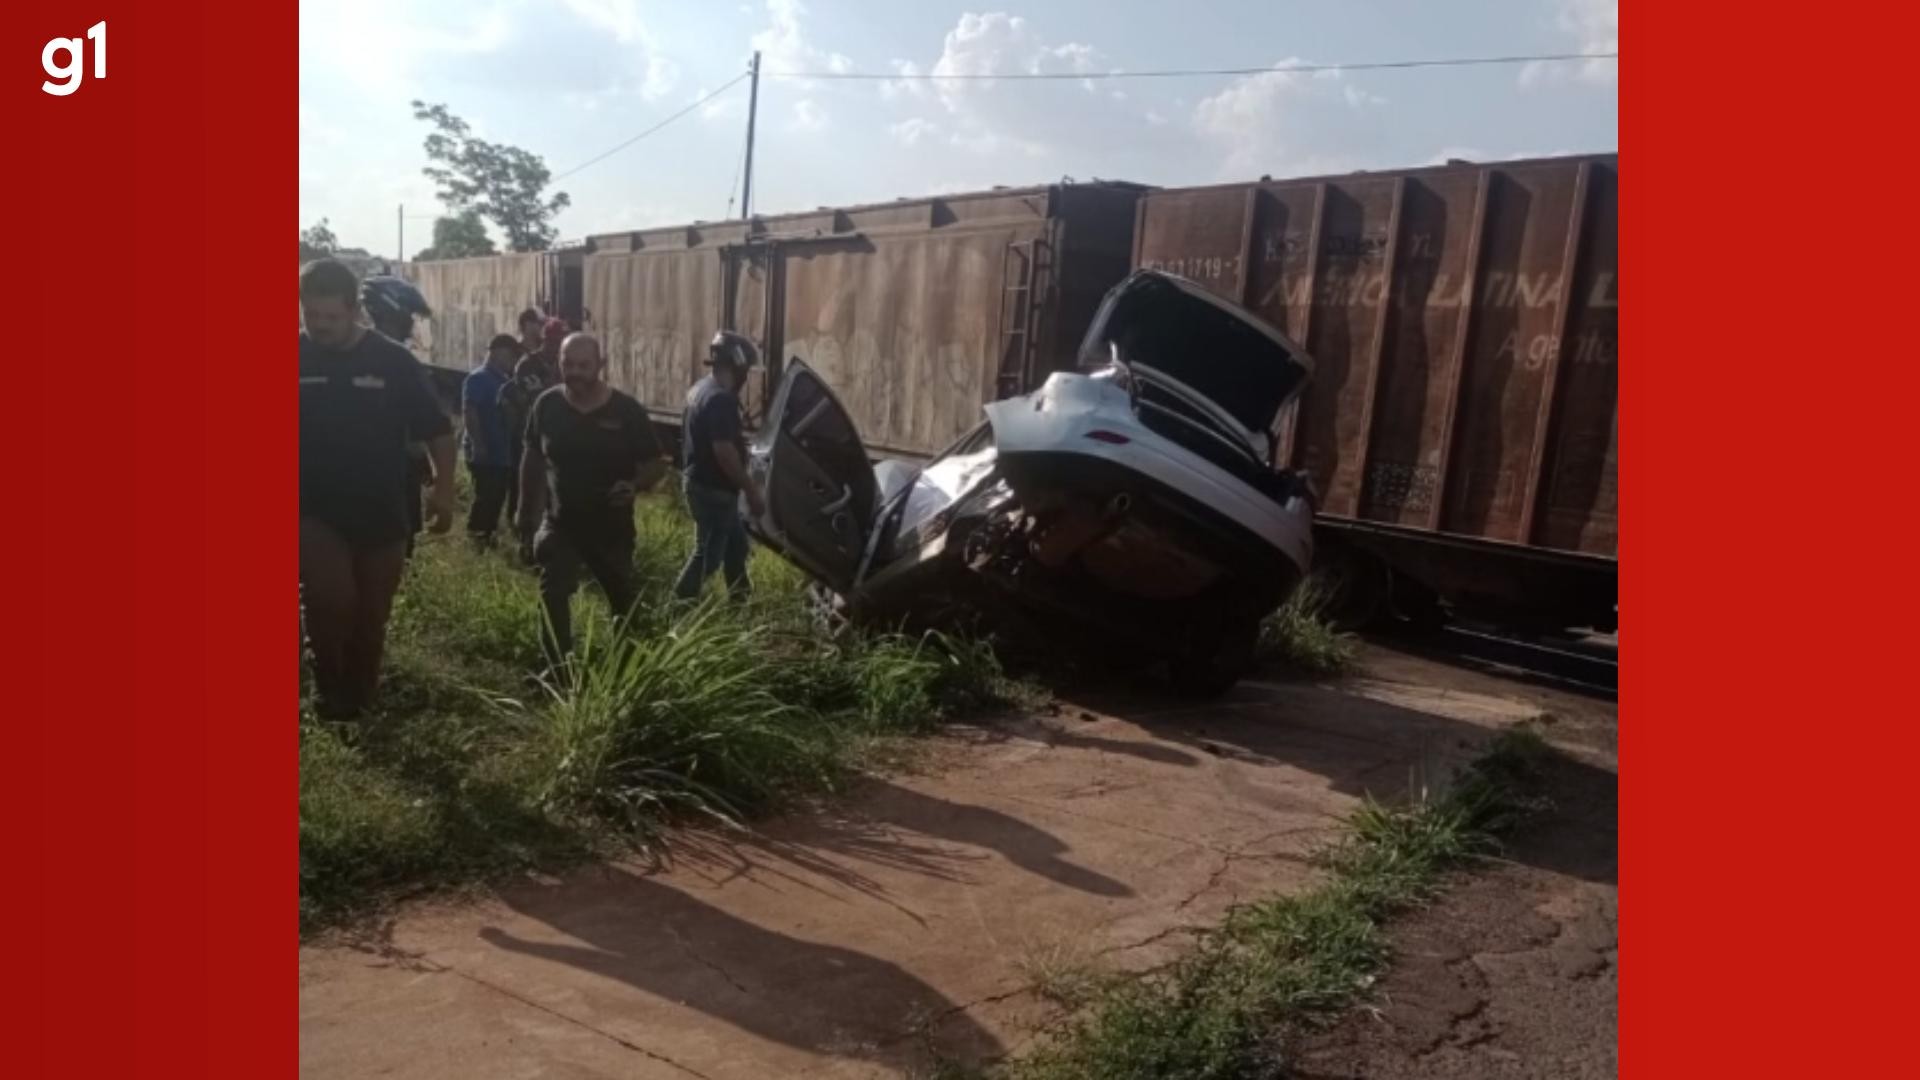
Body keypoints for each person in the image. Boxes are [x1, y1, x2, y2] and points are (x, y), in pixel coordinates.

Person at [300, 259, 456, 717]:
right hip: (314, 508)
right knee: (332, 600)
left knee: (371, 617)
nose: (320, 326)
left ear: (353, 311)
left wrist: (443, 491)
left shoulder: (392, 361)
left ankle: (359, 700)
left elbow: (438, 431)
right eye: (311, 315)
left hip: (384, 510)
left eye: (330, 316)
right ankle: (328, 693)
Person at [519, 332, 668, 672]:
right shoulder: (547, 405)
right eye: (568, 364)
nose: (575, 372)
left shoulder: (626, 410)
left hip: (611, 527)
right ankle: (557, 669)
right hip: (561, 522)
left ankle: (624, 671)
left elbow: (656, 463)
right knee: (554, 592)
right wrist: (526, 512)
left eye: (584, 365)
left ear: (600, 365)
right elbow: (532, 458)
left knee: (622, 600)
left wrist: (635, 485)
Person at [674, 332, 767, 602]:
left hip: (698, 481)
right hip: (712, 488)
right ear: (738, 365)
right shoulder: (721, 399)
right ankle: (680, 603)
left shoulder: (700, 389)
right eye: (746, 370)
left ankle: (740, 601)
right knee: (709, 556)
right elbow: (724, 451)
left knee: (736, 546)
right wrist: (750, 490)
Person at [361, 275, 441, 557]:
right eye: (407, 314)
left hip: (399, 467)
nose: (411, 321)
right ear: (389, 311)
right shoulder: (383, 358)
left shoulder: (396, 357)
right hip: (380, 470)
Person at [502, 318, 566, 556]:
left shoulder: (562, 365)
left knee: (553, 493)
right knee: (527, 491)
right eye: (556, 342)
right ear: (547, 340)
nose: (559, 347)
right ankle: (525, 541)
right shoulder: (528, 365)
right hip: (530, 437)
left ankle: (546, 542)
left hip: (557, 441)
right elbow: (542, 397)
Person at [462, 333, 521, 546]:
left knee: (496, 497)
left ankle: (487, 537)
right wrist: (479, 444)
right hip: (485, 451)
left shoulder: (504, 382)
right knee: (485, 497)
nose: (514, 362)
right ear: (498, 352)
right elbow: (470, 410)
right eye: (512, 356)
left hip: (501, 452)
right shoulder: (479, 378)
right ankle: (477, 537)